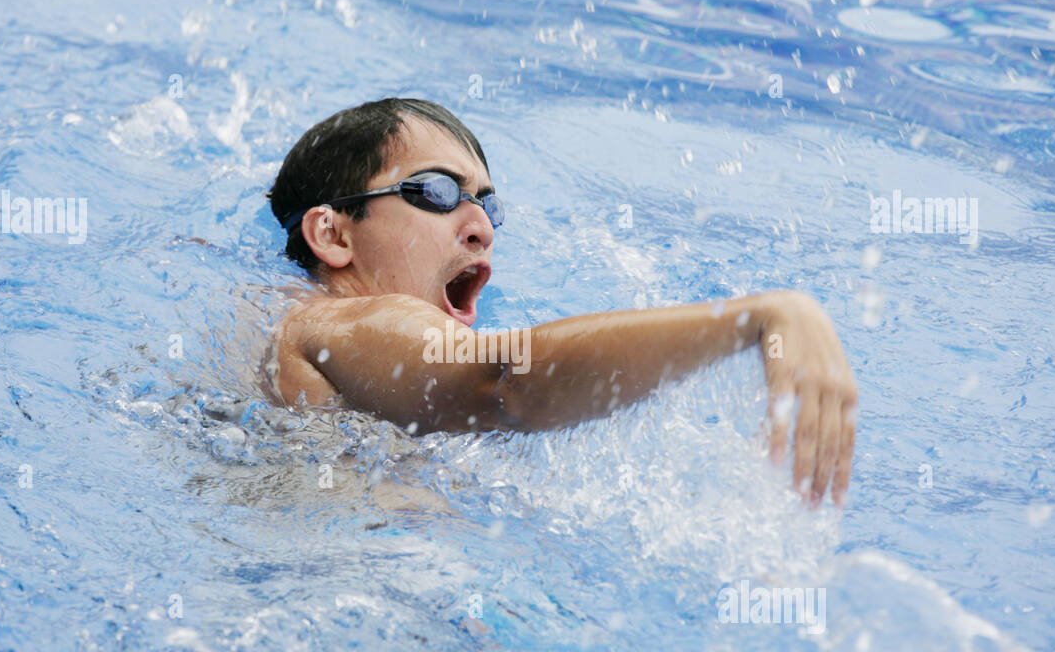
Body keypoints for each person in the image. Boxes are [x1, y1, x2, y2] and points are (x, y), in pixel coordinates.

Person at [264, 98, 857, 509]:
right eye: (437, 191)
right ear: (333, 235)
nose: (481, 228)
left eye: (488, 206)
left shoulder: (305, 353)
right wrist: (756, 319)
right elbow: (503, 382)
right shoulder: (330, 322)